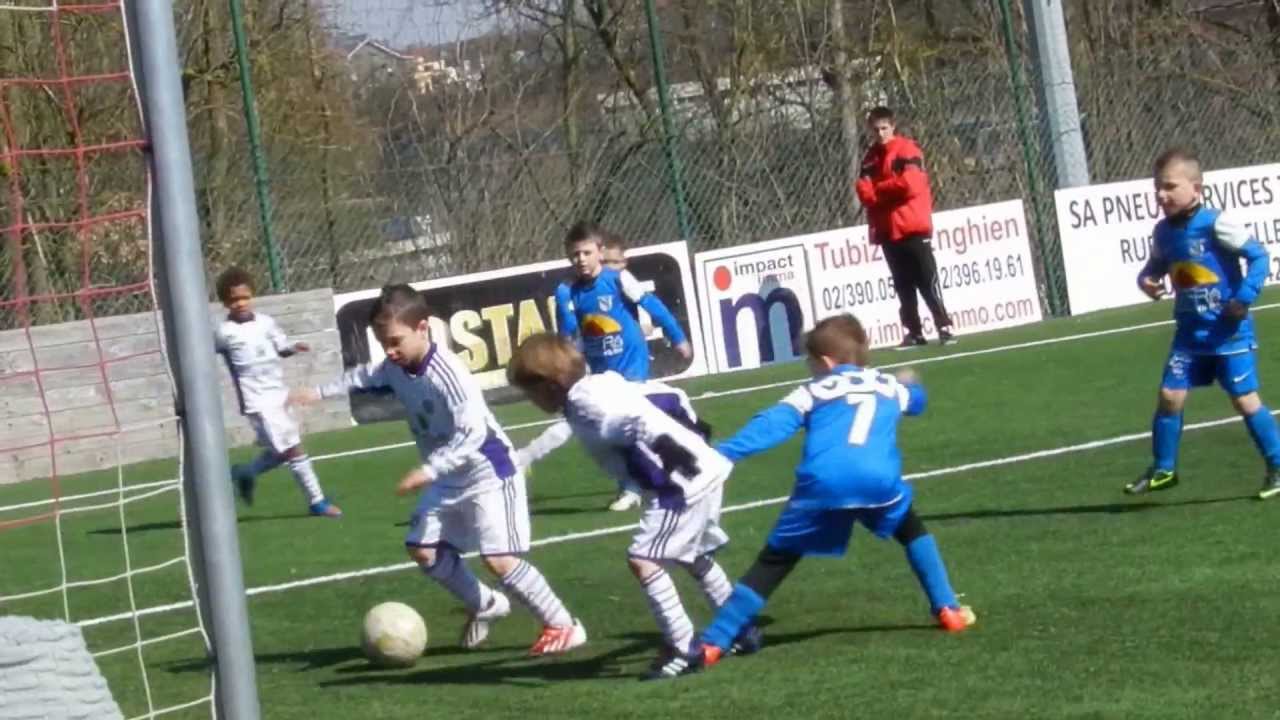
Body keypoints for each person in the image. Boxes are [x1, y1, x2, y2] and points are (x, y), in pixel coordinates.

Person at [291, 286, 586, 655]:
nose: (390, 350)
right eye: (384, 343)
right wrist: (318, 392)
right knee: (423, 549)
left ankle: (563, 625)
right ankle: (487, 605)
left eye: (396, 341)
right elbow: (364, 375)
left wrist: (430, 469)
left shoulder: (449, 374)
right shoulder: (394, 367)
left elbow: (474, 433)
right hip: (449, 476)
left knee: (499, 558)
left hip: (488, 471)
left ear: (423, 328)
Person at [674, 314, 974, 676]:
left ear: (826, 363)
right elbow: (918, 401)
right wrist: (909, 382)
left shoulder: (814, 390)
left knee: (774, 562)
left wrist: (724, 452)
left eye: (810, 362)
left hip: (824, 485)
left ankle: (714, 642)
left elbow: (771, 425)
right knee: (912, 531)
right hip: (879, 483)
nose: (809, 368)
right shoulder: (887, 385)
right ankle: (948, 608)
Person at [507, 333, 751, 679]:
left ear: (550, 385)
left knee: (643, 559)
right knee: (692, 555)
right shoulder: (602, 383)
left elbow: (627, 421)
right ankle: (738, 628)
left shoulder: (584, 404)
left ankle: (683, 647)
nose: (530, 400)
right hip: (701, 469)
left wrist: (644, 431)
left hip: (675, 486)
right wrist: (691, 429)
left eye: (529, 392)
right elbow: (668, 395)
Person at [1127, 148, 1280, 499]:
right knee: (1169, 395)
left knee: (1244, 400)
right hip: (1190, 332)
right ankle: (1164, 469)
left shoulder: (1216, 223)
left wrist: (1243, 298)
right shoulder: (1163, 232)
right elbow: (1155, 267)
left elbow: (1258, 256)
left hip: (1227, 331)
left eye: (1170, 187)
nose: (1162, 195)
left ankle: (1277, 464)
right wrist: (1146, 280)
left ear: (1196, 189)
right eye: (1158, 188)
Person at [554, 221, 693, 511]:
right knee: (610, 429)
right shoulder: (567, 291)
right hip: (600, 370)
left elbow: (652, 305)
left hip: (630, 363)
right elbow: (568, 333)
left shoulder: (618, 279)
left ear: (600, 252)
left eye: (586, 253)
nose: (580, 260)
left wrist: (677, 336)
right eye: (574, 255)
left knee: (630, 423)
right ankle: (636, 481)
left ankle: (644, 480)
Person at [213, 267, 341, 518]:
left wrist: (294, 347)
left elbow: (281, 347)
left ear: (252, 296)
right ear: (225, 302)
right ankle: (317, 502)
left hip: (279, 395)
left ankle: (245, 473)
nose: (240, 303)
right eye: (233, 299)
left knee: (282, 451)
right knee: (294, 448)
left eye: (244, 297)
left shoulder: (266, 322)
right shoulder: (224, 333)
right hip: (257, 401)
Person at [855, 106, 954, 348]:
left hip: (912, 226)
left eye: (884, 128)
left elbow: (910, 184)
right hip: (889, 230)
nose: (880, 134)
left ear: (893, 127)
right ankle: (914, 331)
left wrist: (879, 190)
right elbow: (863, 190)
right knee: (902, 285)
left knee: (927, 279)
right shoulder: (870, 157)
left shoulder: (907, 150)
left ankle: (944, 326)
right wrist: (886, 190)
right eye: (876, 129)